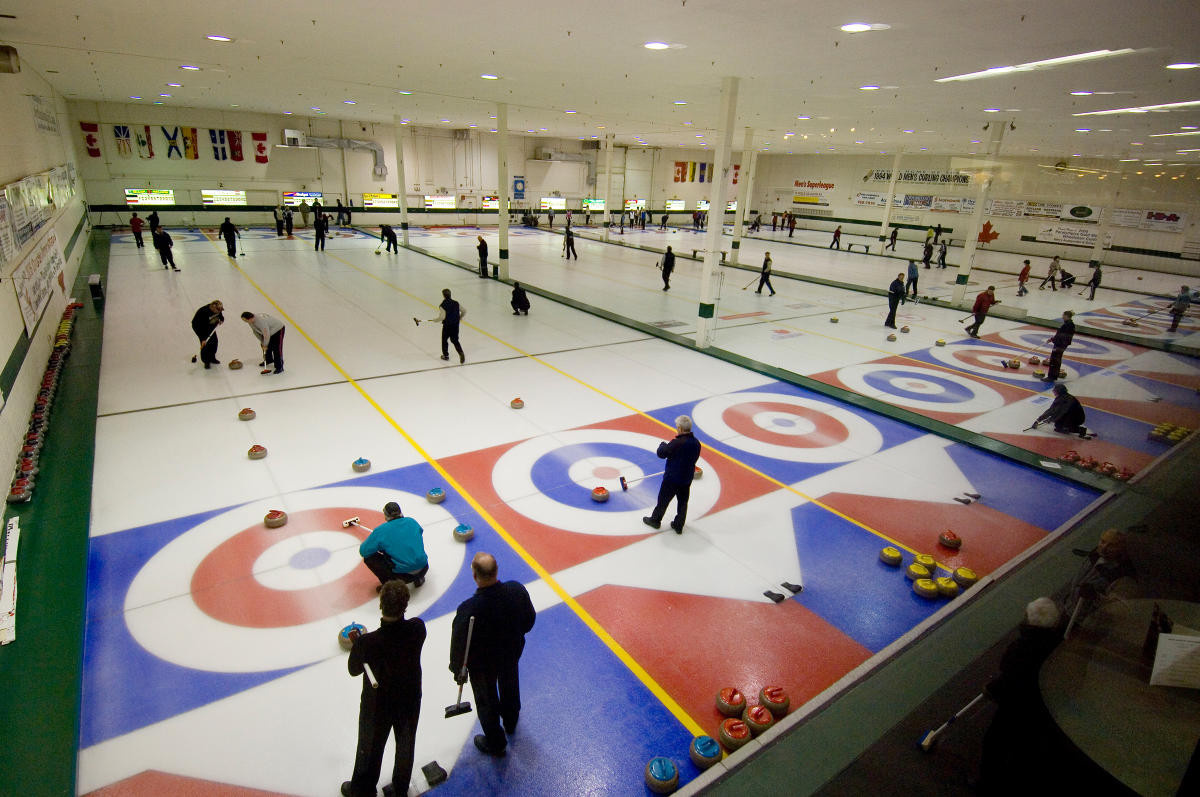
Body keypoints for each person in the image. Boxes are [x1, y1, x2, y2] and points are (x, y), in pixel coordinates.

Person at [341, 580, 425, 797]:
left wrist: (359, 646)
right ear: (405, 605)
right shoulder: (417, 628)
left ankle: (362, 790)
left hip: (378, 704)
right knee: (406, 743)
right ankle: (400, 787)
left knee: (369, 747)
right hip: (409, 697)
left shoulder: (368, 643)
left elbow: (354, 669)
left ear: (381, 604)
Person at [449, 552, 536, 758]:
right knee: (510, 683)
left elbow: (460, 644)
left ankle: (496, 742)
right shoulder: (516, 591)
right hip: (511, 653)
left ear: (474, 576)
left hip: (483, 665)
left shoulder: (468, 610)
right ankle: (511, 719)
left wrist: (457, 669)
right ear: (497, 571)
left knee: (486, 699)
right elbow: (529, 620)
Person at [976, 597, 1064, 795]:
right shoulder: (1058, 645)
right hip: (1044, 710)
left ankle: (987, 784)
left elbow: (1011, 679)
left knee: (995, 744)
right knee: (1025, 751)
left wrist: (991, 688)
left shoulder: (1021, 648)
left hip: (1016, 708)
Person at [642, 415, 702, 534]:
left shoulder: (677, 443)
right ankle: (679, 524)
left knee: (663, 500)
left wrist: (662, 445)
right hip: (686, 478)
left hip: (672, 478)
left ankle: (655, 520)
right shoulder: (696, 443)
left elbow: (662, 453)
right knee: (683, 502)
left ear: (679, 428)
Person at [358, 502, 429, 588]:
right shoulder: (411, 522)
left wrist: (381, 546)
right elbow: (419, 534)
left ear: (385, 515)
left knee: (369, 558)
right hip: (424, 567)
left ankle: (390, 586)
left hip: (403, 576)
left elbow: (363, 551)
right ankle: (418, 577)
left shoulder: (381, 531)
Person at [240, 311, 285, 375]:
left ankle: (279, 367)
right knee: (266, 346)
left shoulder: (260, 322)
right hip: (269, 331)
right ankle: (269, 360)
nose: (245, 322)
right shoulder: (250, 322)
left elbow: (266, 334)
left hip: (278, 329)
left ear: (250, 318)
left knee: (277, 348)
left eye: (245, 320)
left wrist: (265, 344)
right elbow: (256, 332)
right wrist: (262, 342)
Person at [429, 288, 465, 363]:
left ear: (443, 296)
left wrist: (436, 320)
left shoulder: (442, 305)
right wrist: (459, 318)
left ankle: (445, 355)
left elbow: (442, 317)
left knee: (444, 340)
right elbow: (464, 311)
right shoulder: (456, 303)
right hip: (455, 325)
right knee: (455, 340)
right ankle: (461, 353)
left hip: (447, 325)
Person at [1042, 310, 1075, 384]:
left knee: (1054, 360)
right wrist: (1053, 339)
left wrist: (1053, 339)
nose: (1062, 317)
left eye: (1063, 315)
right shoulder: (1069, 324)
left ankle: (1051, 377)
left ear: (1066, 316)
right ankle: (1054, 375)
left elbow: (1061, 336)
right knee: (1056, 360)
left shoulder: (1068, 325)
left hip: (1060, 345)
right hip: (1061, 344)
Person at [191, 300, 224, 368]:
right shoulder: (203, 312)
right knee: (205, 345)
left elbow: (220, 315)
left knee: (214, 342)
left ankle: (212, 358)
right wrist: (203, 338)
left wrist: (221, 319)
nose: (219, 311)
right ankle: (206, 361)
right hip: (200, 328)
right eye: (218, 310)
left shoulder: (218, 310)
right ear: (213, 308)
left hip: (211, 328)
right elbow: (198, 326)